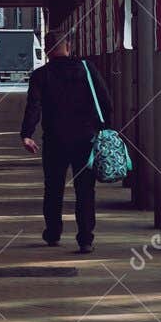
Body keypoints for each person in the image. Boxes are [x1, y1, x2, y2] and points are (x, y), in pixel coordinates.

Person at [20, 30, 113, 254]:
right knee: (85, 190)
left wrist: (27, 134)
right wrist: (104, 129)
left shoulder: (41, 75)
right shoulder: (87, 70)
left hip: (55, 140)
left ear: (47, 49)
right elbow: (106, 101)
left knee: (53, 188)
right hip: (85, 139)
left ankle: (53, 233)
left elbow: (34, 106)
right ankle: (85, 239)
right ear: (69, 46)